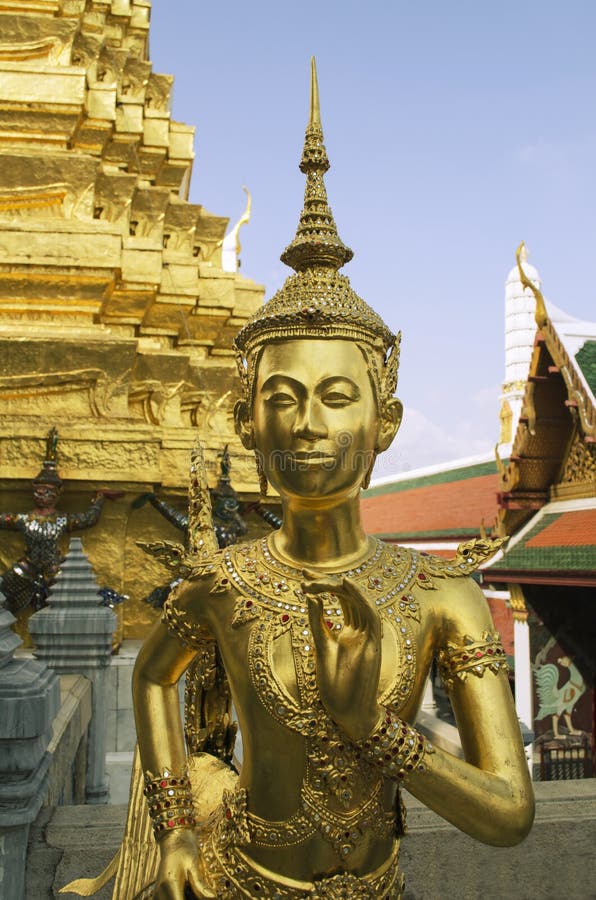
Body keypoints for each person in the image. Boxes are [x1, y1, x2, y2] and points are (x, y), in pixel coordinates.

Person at [128, 61, 533, 899]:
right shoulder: (224, 582)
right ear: (249, 424)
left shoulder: (439, 593)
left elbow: (508, 814)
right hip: (243, 880)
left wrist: (377, 736)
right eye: (282, 399)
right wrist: (172, 831)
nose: (308, 424)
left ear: (383, 423)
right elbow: (152, 676)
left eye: (337, 397)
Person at [0, 427, 120, 618]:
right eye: (37, 492)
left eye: (46, 492)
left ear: (56, 494)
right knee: (3, 591)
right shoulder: (23, 519)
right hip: (27, 567)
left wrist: (99, 498)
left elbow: (88, 519)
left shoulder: (62, 520)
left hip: (55, 569)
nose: (41, 496)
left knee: (80, 599)